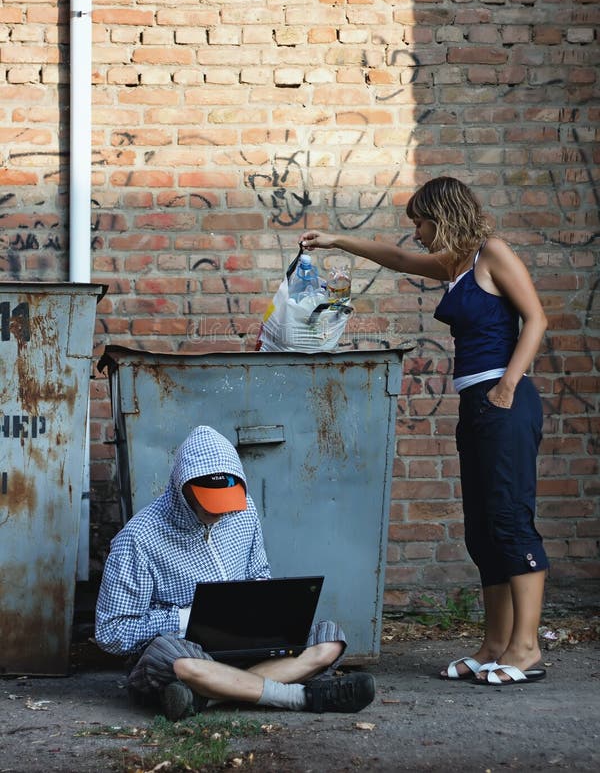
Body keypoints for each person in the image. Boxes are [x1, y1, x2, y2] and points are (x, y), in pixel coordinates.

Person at [301, 176, 550, 686]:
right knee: (482, 531)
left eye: (420, 221)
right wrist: (336, 240)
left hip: (504, 401)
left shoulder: (492, 252)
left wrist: (507, 385)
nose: (415, 232)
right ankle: (494, 645)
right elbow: (395, 258)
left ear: (442, 214)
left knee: (509, 520)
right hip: (476, 403)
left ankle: (526, 648)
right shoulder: (455, 266)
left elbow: (536, 319)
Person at [95, 425, 376, 719]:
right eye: (210, 504)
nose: (221, 513)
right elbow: (112, 632)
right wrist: (183, 618)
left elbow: (259, 574)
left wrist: (263, 611)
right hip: (186, 654)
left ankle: (208, 698)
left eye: (227, 503)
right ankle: (300, 696)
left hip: (248, 645)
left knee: (330, 639)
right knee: (178, 661)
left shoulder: (243, 511)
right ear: (182, 489)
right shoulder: (139, 538)